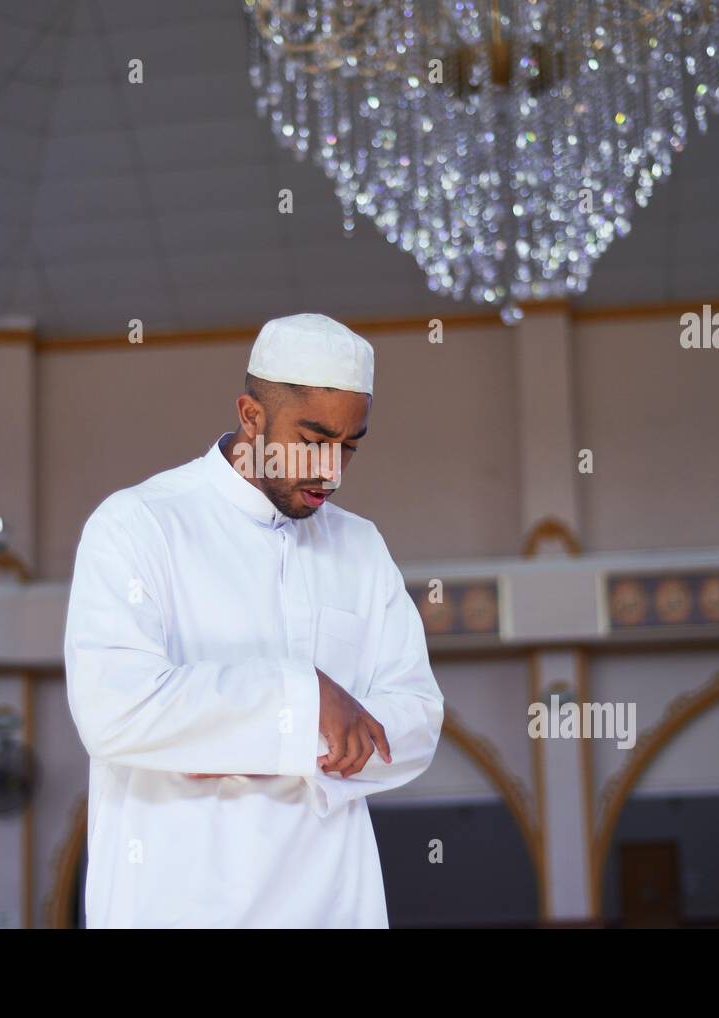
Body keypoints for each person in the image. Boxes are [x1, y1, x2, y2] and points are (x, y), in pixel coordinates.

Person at [63, 312, 444, 927]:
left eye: (349, 447)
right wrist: (309, 700)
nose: (331, 471)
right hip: (175, 905)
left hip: (331, 906)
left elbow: (418, 722)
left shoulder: (362, 547)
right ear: (251, 417)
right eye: (314, 439)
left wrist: (220, 736)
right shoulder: (140, 524)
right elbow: (116, 712)